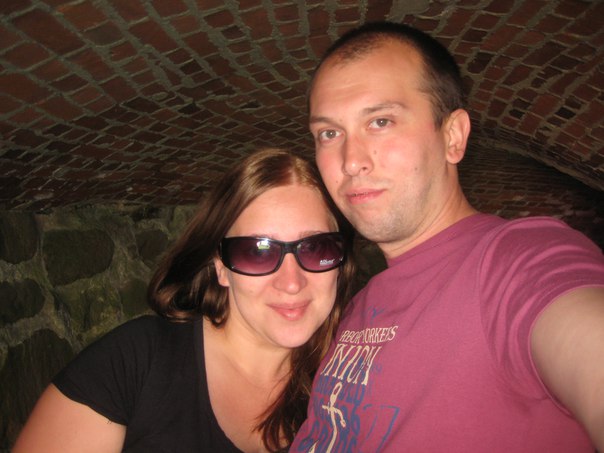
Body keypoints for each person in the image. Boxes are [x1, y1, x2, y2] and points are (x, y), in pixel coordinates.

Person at [290, 21, 604, 452]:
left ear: (453, 136)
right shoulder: (358, 305)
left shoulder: (518, 261)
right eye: (329, 133)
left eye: (380, 121)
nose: (350, 161)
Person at [13, 148, 356, 453]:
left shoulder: (352, 382)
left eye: (316, 248)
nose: (292, 282)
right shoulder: (135, 363)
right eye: (257, 252)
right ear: (221, 267)